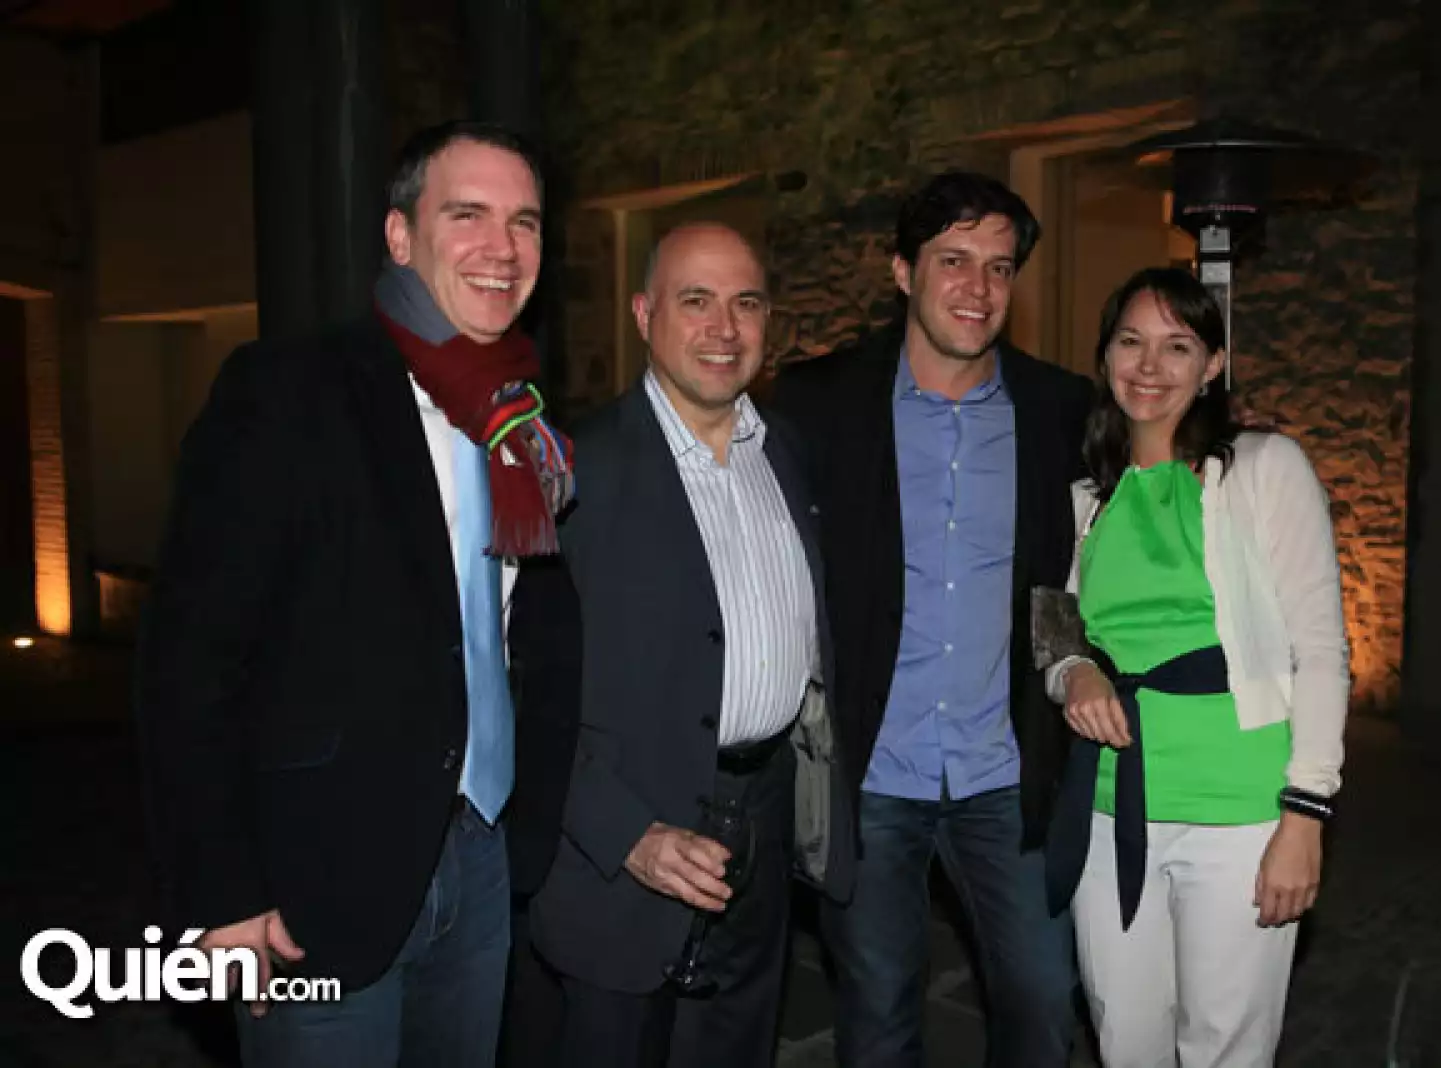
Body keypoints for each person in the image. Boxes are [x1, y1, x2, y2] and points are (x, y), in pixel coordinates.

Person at [136, 120, 581, 1068]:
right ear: (398, 235)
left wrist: (528, 832)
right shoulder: (290, 392)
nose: (502, 249)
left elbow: (526, 637)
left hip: (482, 853)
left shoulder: (523, 420)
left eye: (526, 222)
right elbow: (191, 659)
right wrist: (223, 892)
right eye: (468, 215)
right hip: (317, 884)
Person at [770, 171, 1092, 1067]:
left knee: (1040, 998)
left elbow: (1073, 576)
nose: (978, 289)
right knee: (876, 1014)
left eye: (998, 267)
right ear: (902, 271)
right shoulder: (816, 406)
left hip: (1004, 767)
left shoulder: (1060, 411)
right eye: (953, 261)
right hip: (872, 769)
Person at [529, 222, 853, 1068]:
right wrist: (626, 832)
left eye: (746, 303)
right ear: (643, 314)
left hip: (764, 823)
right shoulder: (573, 472)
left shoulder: (788, 453)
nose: (725, 327)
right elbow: (521, 690)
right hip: (621, 853)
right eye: (696, 301)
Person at [1042, 266, 1349, 1068]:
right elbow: (1052, 620)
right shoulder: (1086, 495)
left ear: (1212, 363)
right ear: (1105, 355)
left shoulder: (1264, 470)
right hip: (1110, 807)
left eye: (1177, 346)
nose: (1150, 367)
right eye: (1131, 343)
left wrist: (1304, 814)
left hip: (1241, 811)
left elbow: (1320, 649)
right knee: (1125, 1039)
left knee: (1226, 1049)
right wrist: (1072, 670)